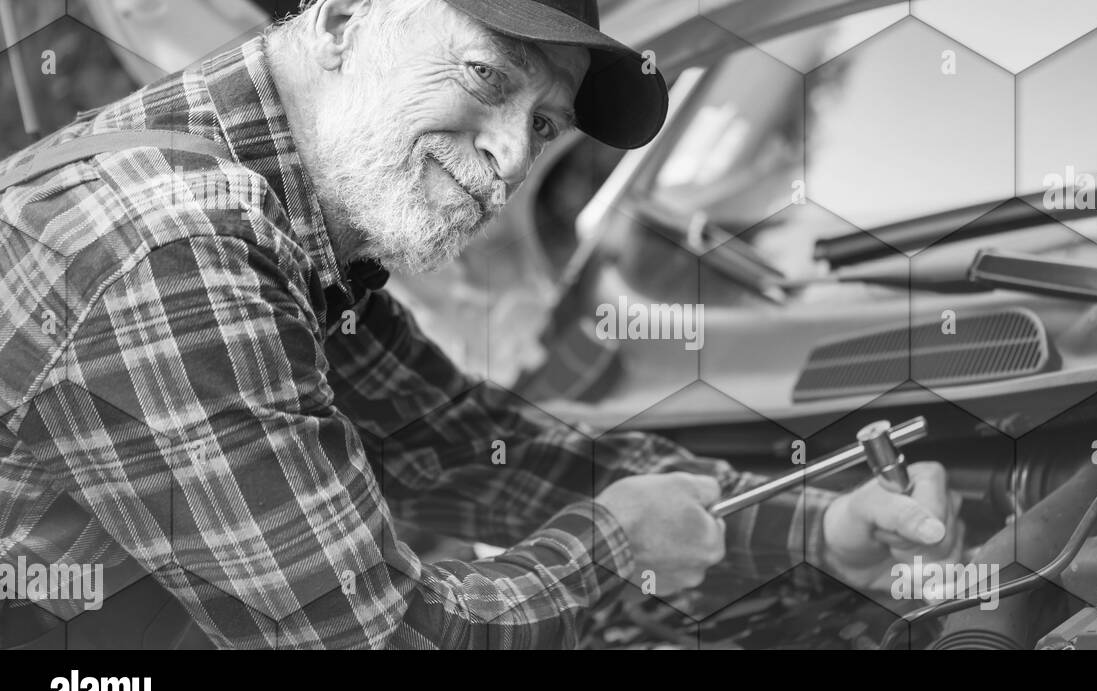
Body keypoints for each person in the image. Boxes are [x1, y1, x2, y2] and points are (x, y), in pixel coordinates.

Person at [0, 0, 959, 648]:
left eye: (543, 125)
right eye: (488, 77)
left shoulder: (281, 216)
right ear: (342, 22)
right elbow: (385, 638)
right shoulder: (165, 247)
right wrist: (614, 542)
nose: (510, 158)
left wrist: (813, 528)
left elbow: (456, 446)